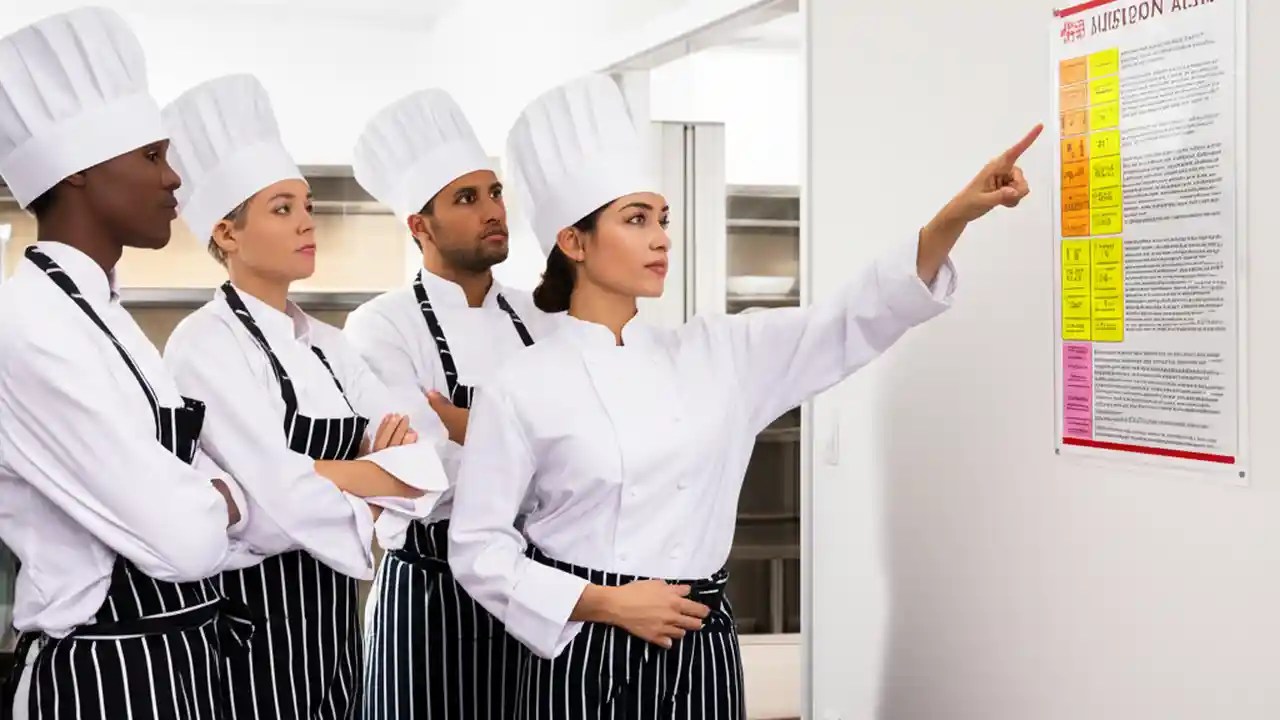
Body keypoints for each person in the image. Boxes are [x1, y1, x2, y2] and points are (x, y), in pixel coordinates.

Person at [447, 73, 1041, 717]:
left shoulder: (719, 354)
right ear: (574, 241)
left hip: (700, 644)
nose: (661, 237)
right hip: (582, 645)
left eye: (663, 219)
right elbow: (477, 546)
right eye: (636, 219)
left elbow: (847, 319)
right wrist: (606, 603)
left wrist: (954, 216)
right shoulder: (523, 384)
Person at [159, 74, 450, 719]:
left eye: (307, 205)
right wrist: (373, 475)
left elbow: (425, 463)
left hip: (337, 630)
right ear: (227, 233)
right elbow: (270, 503)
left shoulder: (329, 344)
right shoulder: (204, 343)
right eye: (282, 209)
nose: (306, 223)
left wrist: (318, 474)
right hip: (248, 635)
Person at [0, 8, 256, 719]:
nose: (174, 179)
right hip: (100, 674)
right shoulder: (28, 326)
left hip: (180, 661)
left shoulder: (106, 315)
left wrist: (208, 496)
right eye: (152, 156)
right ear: (79, 173)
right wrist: (219, 499)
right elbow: (188, 539)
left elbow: (204, 498)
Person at [344, 88, 558, 719]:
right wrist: (530, 448)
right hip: (431, 596)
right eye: (466, 199)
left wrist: (468, 428)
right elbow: (423, 478)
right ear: (420, 225)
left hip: (535, 589)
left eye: (494, 193)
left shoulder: (542, 318)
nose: (493, 211)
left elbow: (587, 459)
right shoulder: (381, 325)